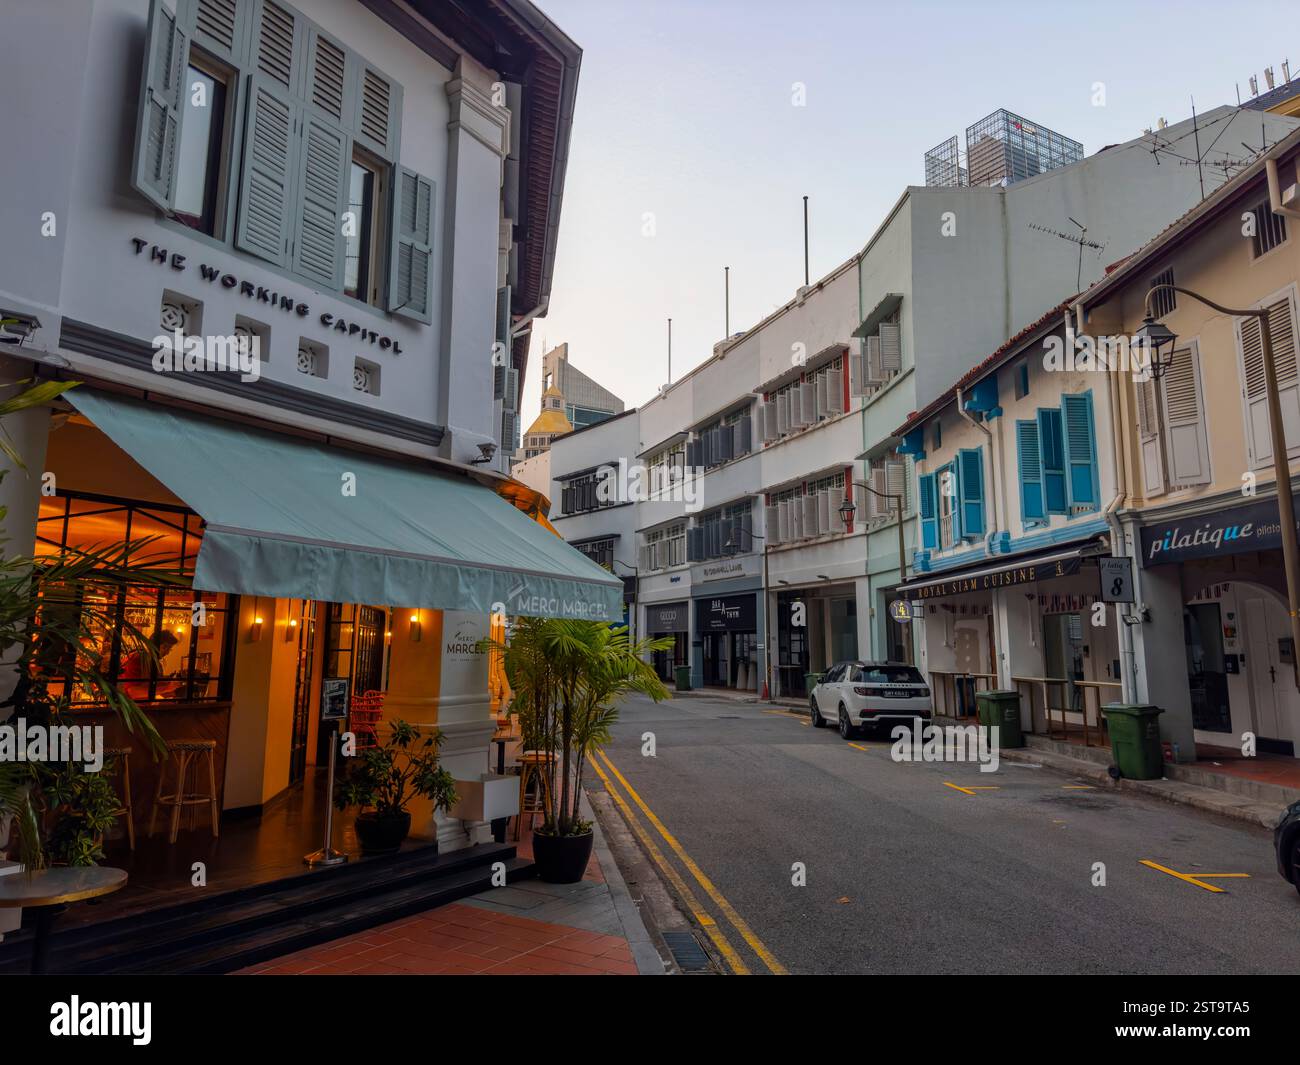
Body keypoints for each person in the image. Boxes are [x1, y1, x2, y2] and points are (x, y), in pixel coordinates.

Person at [119, 630, 180, 700]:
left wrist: (174, 690)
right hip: (131, 709)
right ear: (152, 645)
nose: (167, 652)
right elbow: (133, 692)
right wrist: (167, 688)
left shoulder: (156, 664)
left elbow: (155, 689)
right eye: (164, 647)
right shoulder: (136, 659)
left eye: (169, 649)